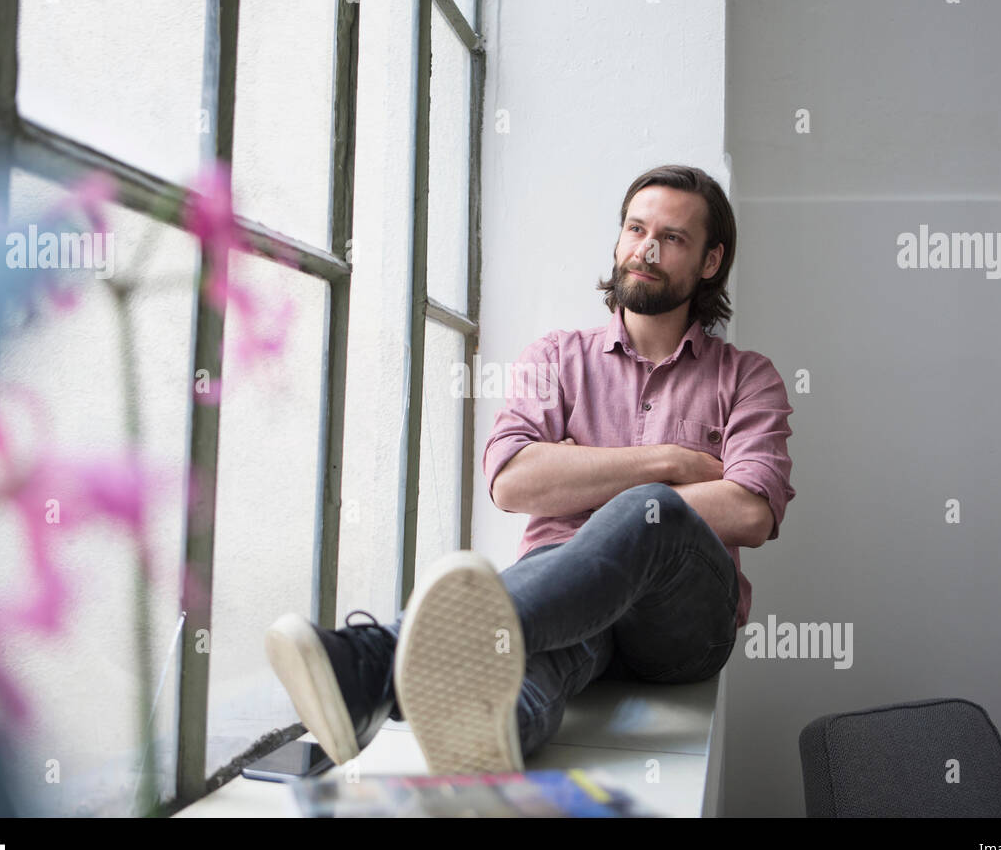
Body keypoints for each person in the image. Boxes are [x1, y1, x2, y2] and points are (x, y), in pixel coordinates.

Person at [266, 163, 795, 775]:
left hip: (681, 626)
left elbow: (751, 512)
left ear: (709, 261)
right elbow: (513, 481)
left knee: (652, 513)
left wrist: (592, 486)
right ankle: (480, 742)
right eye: (634, 228)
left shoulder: (748, 376)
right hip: (563, 601)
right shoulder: (557, 357)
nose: (645, 250)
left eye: (672, 238)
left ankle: (378, 657)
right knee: (528, 675)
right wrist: (670, 462)